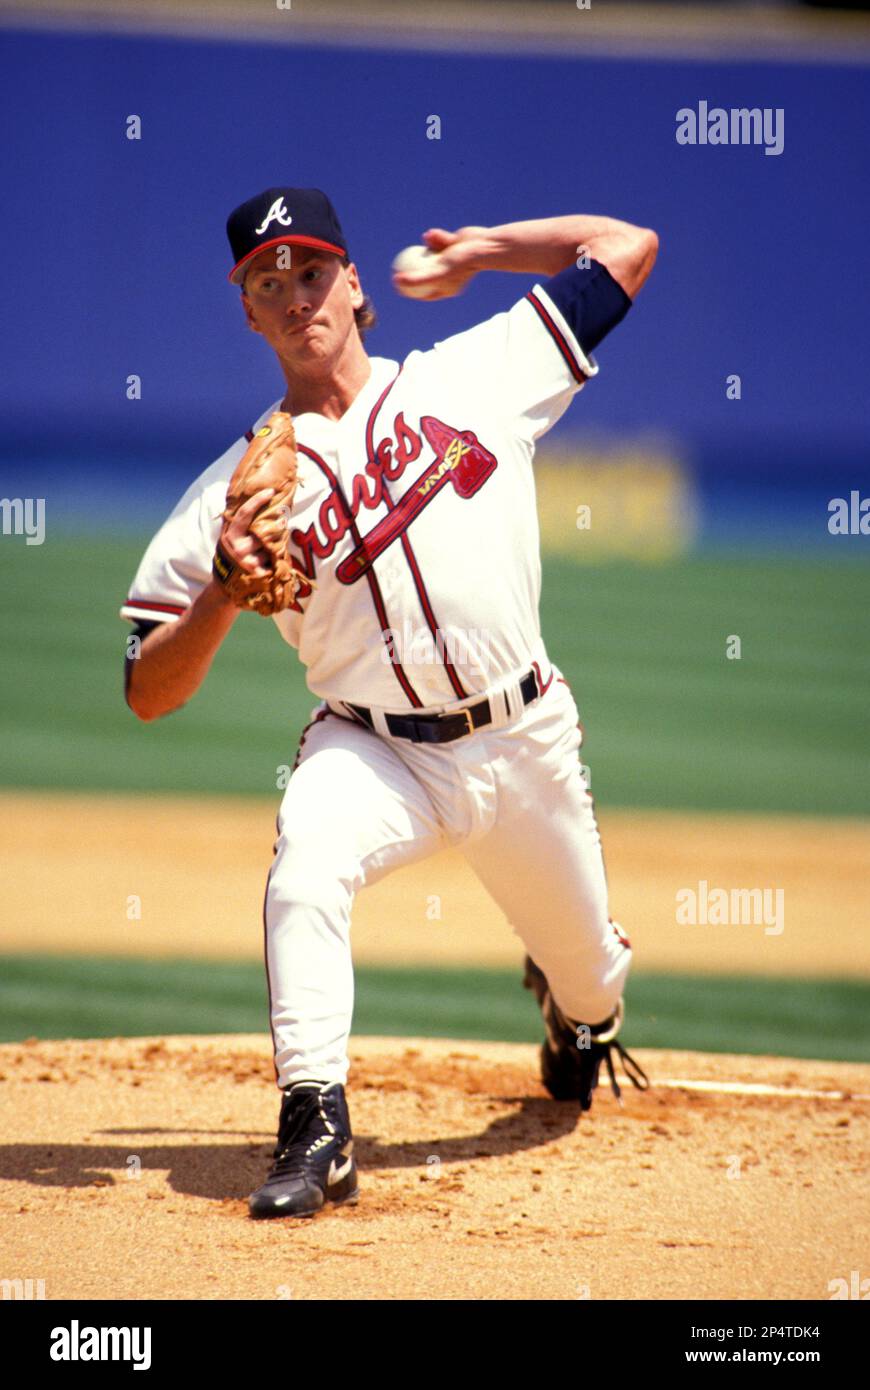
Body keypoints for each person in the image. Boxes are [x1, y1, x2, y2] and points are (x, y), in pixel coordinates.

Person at [122, 186, 658, 1220]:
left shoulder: (476, 374)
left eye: (313, 272)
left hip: (523, 737)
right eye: (266, 283)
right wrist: (223, 598)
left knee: (593, 981)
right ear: (246, 311)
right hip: (376, 755)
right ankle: (316, 1124)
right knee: (304, 870)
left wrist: (487, 251)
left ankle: (572, 1011)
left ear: (356, 283)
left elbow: (626, 248)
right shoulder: (233, 490)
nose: (294, 297)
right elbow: (147, 687)